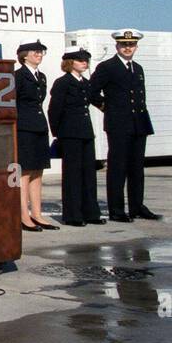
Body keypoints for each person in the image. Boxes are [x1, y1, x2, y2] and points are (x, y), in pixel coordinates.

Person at [90, 29, 160, 222]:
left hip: (139, 123)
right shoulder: (107, 67)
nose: (127, 48)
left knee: (137, 168)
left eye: (131, 45)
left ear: (136, 47)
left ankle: (137, 206)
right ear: (117, 46)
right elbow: (91, 91)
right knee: (117, 167)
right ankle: (117, 210)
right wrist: (107, 108)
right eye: (123, 45)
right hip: (118, 124)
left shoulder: (137, 68)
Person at [48, 48, 105, 227]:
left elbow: (97, 100)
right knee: (72, 175)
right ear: (69, 62)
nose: (84, 63)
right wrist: (58, 134)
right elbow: (54, 110)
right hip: (70, 133)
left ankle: (91, 212)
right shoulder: (62, 83)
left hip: (86, 133)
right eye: (80, 60)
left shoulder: (86, 83)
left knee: (89, 173)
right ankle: (73, 215)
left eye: (86, 60)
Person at [15, 39, 59, 232]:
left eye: (41, 52)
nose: (39, 55)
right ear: (24, 55)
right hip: (24, 128)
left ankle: (37, 214)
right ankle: (24, 215)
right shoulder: (18, 76)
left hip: (39, 127)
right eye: (35, 51)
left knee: (38, 172)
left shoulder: (41, 77)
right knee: (24, 173)